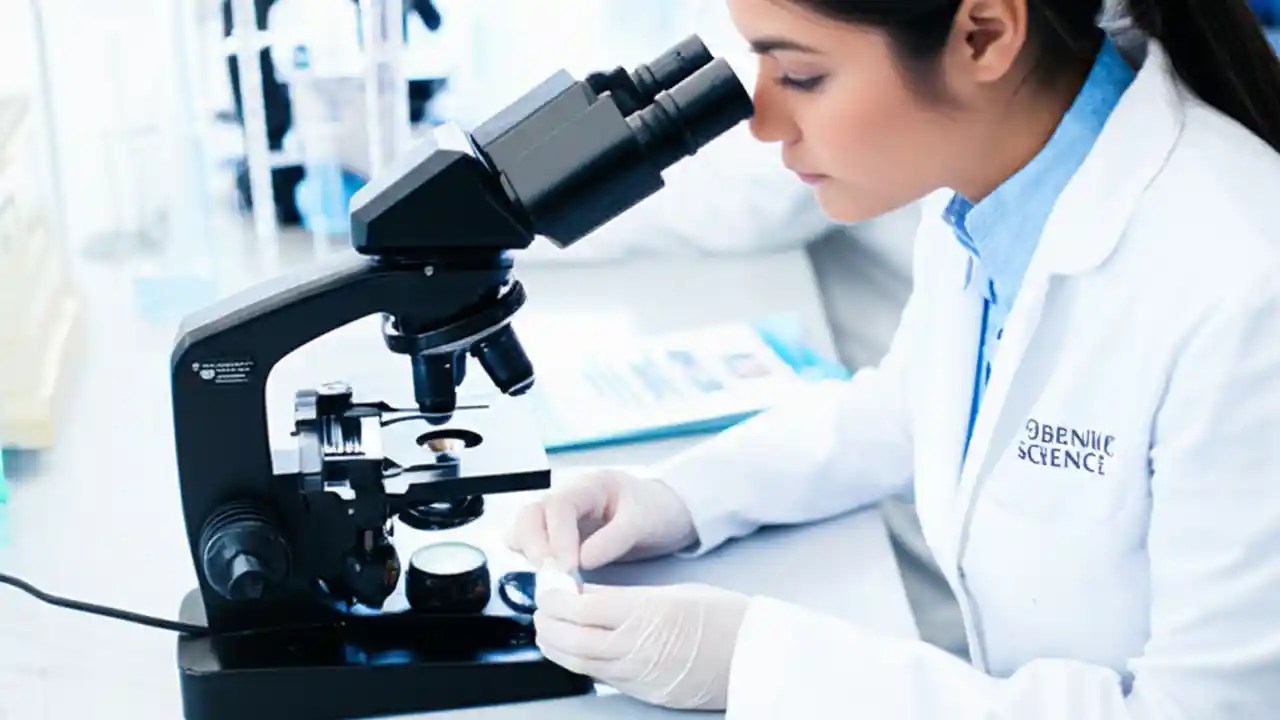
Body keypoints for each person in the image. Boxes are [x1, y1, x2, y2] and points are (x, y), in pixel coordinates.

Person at [508, 0, 1280, 716]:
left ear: (984, 34)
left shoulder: (1243, 289)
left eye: (802, 74)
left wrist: (762, 664)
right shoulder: (999, 180)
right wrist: (678, 501)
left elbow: (1204, 712)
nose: (764, 123)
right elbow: (914, 405)